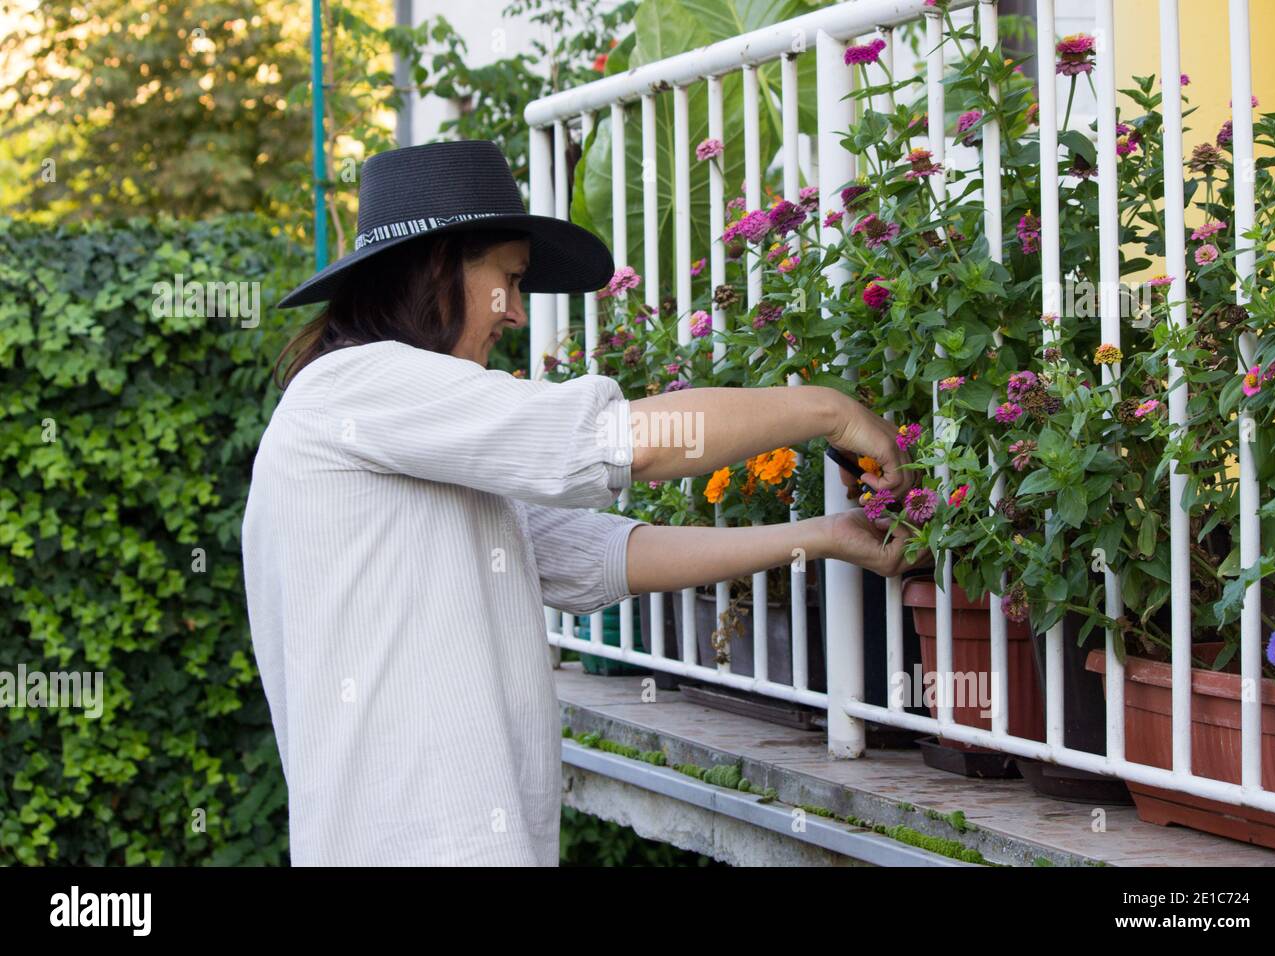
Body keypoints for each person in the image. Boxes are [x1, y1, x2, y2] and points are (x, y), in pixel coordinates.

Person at [241, 140, 917, 866]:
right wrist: (828, 410)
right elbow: (619, 443)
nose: (515, 314)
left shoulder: (407, 429)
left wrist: (822, 535)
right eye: (509, 279)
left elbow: (604, 554)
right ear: (436, 267)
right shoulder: (357, 387)